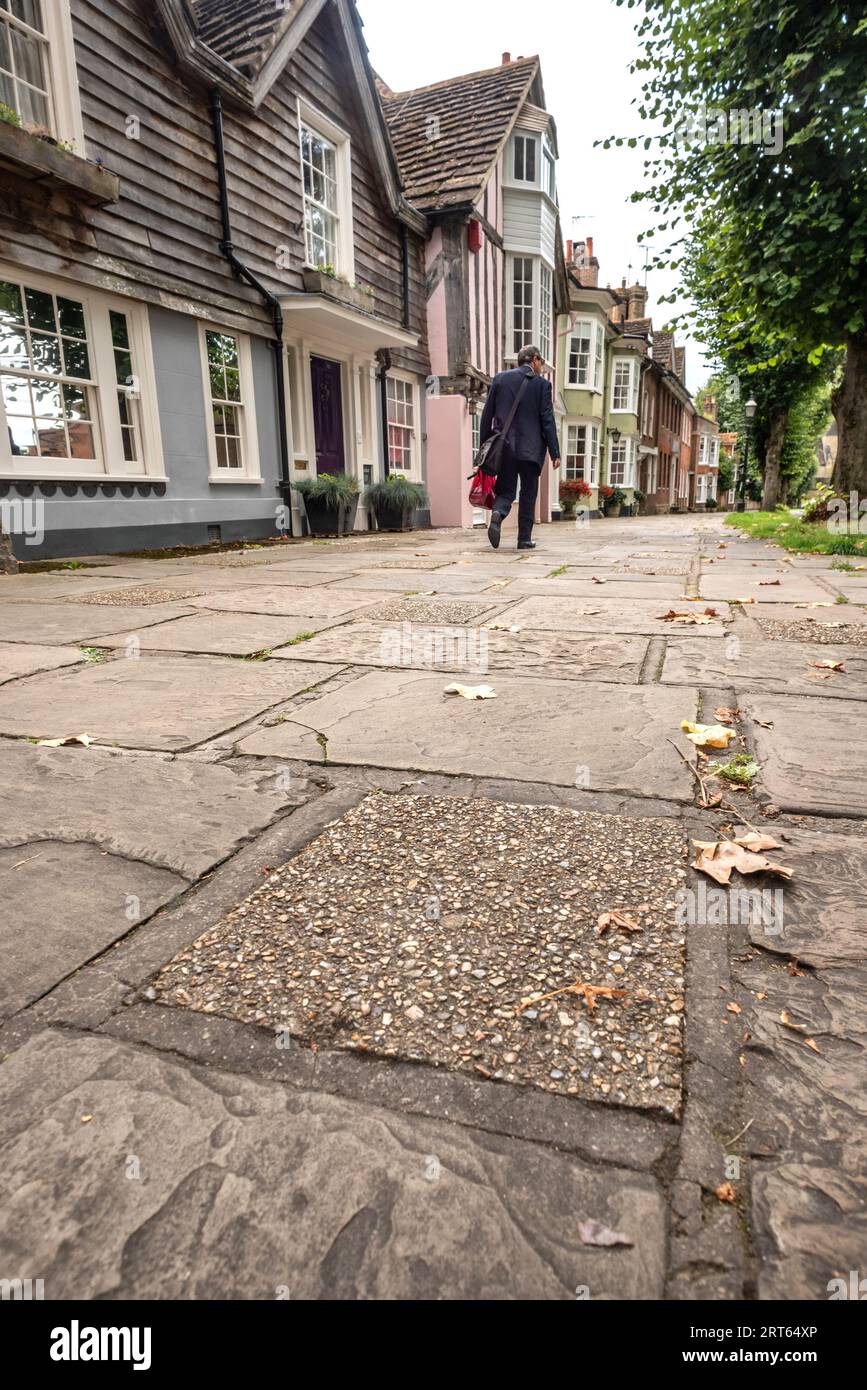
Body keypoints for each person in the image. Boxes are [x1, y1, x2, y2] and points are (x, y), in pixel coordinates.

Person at [478, 344, 561, 550]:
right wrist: (555, 452)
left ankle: (498, 513)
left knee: (506, 489)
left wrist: (485, 447)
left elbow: (486, 415)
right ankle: (524, 539)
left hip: (504, 447)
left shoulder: (500, 379)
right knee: (528, 493)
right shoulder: (542, 385)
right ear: (534, 360)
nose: (541, 365)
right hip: (531, 450)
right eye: (541, 361)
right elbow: (547, 420)